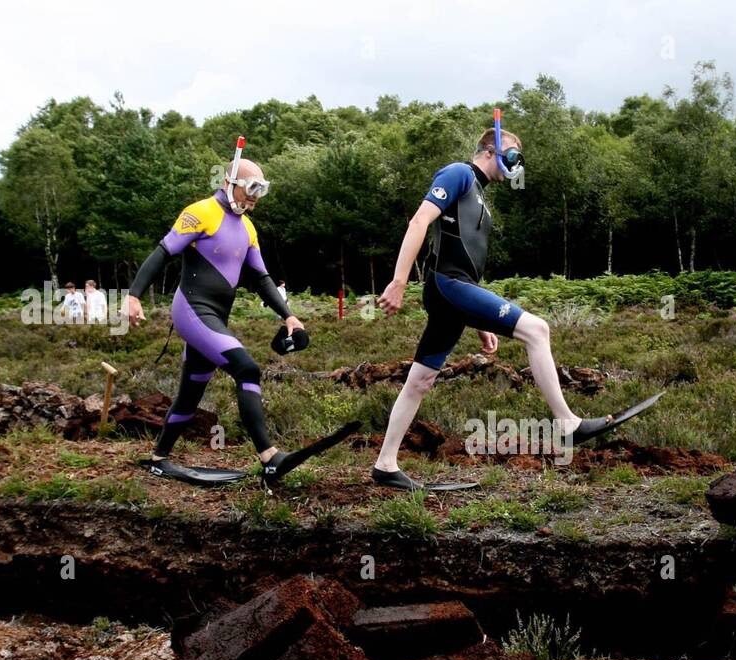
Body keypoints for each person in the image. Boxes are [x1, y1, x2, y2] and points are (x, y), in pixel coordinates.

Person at [372, 124, 647, 490]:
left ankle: (385, 464)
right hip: (446, 285)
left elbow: (465, 262)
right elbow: (420, 220)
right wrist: (399, 280)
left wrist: (479, 321)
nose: (515, 166)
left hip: (457, 292)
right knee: (537, 329)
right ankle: (567, 423)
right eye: (513, 156)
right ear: (490, 151)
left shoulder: (480, 197)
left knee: (420, 380)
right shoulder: (458, 173)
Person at [124, 155, 315, 479]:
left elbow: (261, 279)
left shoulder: (248, 229)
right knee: (246, 368)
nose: (255, 198)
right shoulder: (200, 212)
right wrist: (133, 295)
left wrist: (289, 317)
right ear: (230, 184)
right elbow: (162, 253)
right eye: (251, 189)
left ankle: (159, 458)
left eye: (261, 191)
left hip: (215, 317)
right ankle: (269, 456)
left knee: (190, 393)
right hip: (192, 311)